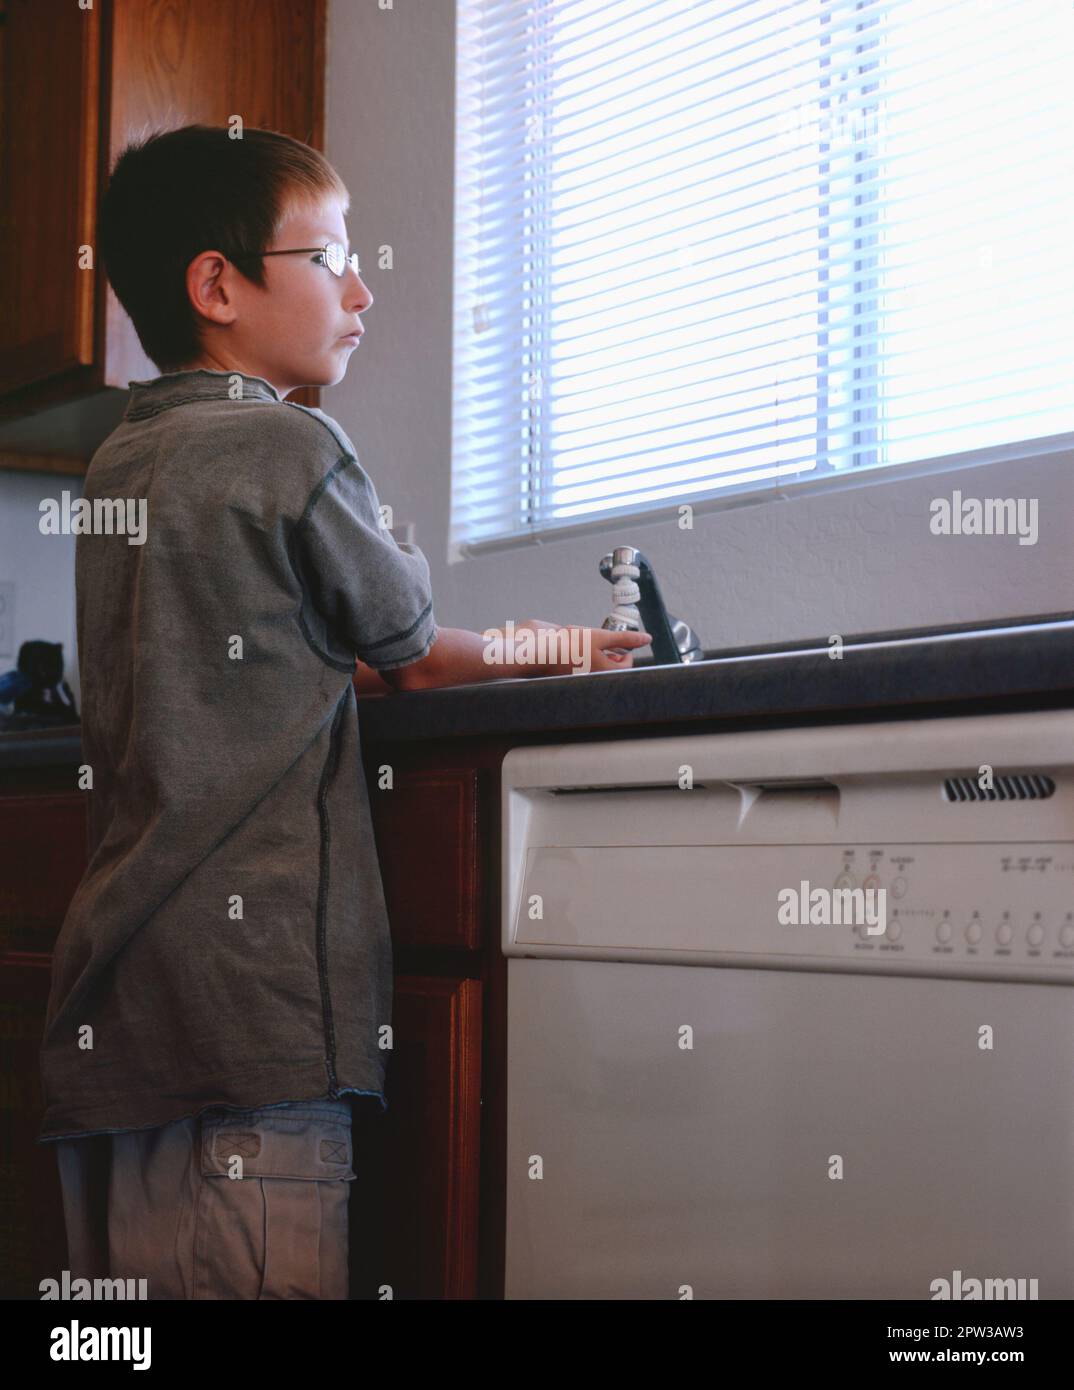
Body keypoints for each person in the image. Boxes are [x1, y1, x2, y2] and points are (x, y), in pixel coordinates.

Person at [38, 124, 650, 1300]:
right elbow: (407, 647)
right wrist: (560, 647)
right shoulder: (287, 440)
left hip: (115, 1023)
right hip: (249, 1026)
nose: (361, 289)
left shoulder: (123, 461)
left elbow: (295, 657)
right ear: (218, 285)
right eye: (329, 258)